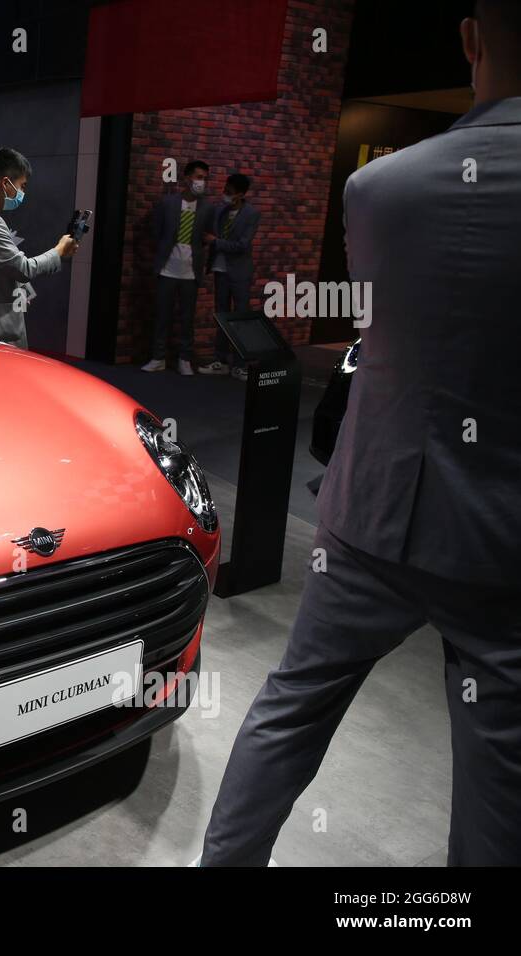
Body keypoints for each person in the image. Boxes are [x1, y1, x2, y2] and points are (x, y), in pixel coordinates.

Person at [199, 0, 521, 867]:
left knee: (289, 709)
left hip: (372, 511)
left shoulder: (378, 188)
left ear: (470, 39)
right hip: (501, 544)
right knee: (499, 772)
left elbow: (395, 330)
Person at [0, 146, 78, 349]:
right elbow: (23, 269)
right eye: (23, 185)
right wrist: (58, 252)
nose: (23, 192)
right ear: (5, 183)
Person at [143, 160, 214, 375]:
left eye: (204, 178)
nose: (201, 182)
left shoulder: (207, 208)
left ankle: (185, 359)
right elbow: (156, 231)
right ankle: (158, 357)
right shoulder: (168, 203)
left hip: (191, 271)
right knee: (162, 315)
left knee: (187, 317)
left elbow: (206, 236)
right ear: (187, 178)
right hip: (167, 268)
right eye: (198, 177)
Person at [199, 173, 260, 380]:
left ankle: (241, 364)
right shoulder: (221, 211)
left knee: (240, 318)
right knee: (222, 316)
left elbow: (242, 245)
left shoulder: (251, 214)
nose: (225, 194)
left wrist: (215, 241)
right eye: (225, 190)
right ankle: (221, 360)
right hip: (220, 269)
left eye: (229, 192)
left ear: (241, 195)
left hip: (239, 272)